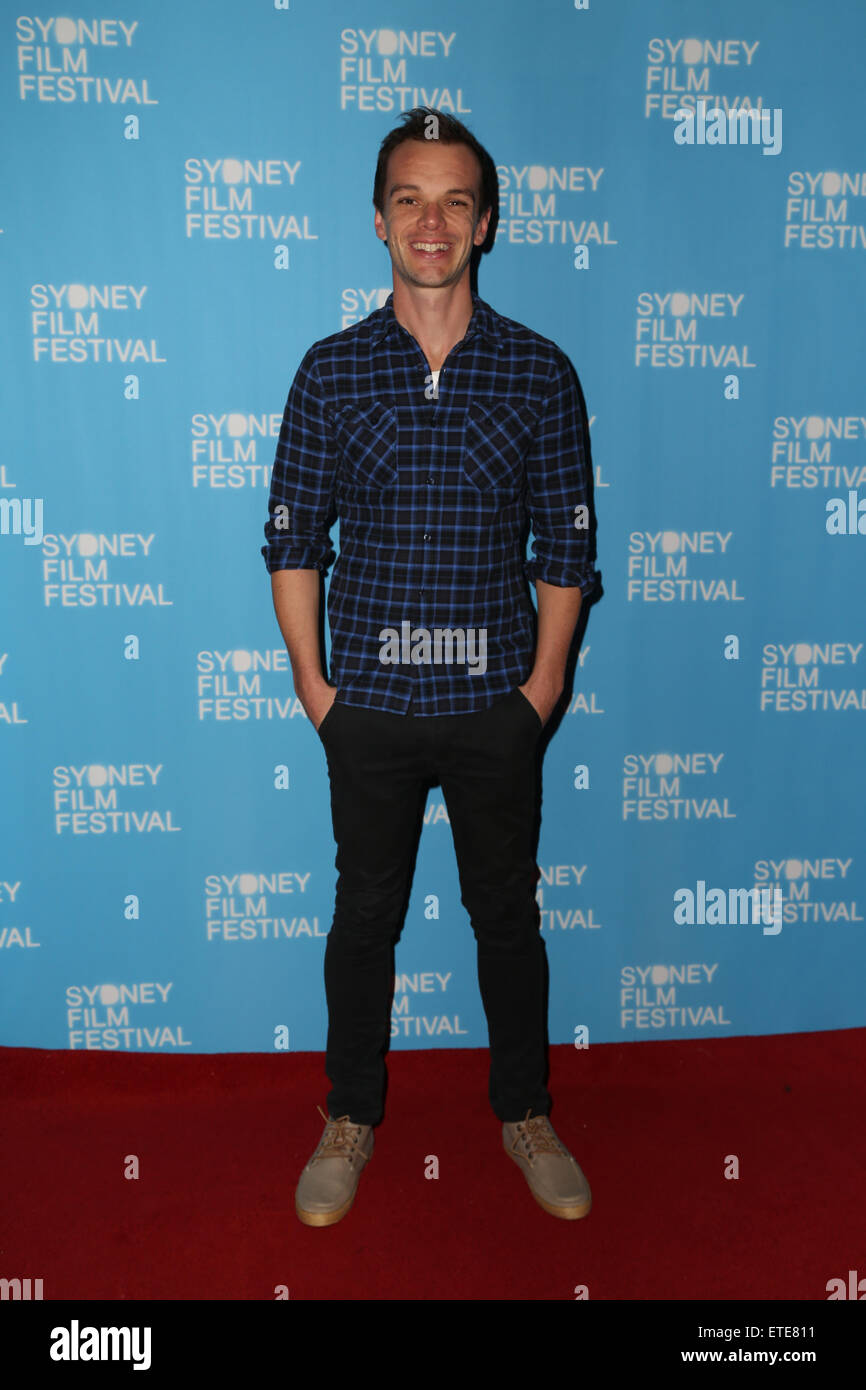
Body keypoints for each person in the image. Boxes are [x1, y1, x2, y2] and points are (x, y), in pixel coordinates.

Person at [262, 107, 598, 1227]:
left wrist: (539, 691)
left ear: (486, 222)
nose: (431, 219)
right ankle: (348, 1115)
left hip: (496, 702)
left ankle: (523, 1112)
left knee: (506, 914)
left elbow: (568, 543)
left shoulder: (539, 372)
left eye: (454, 199)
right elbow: (293, 542)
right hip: (366, 704)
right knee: (365, 915)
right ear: (376, 218)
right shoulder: (330, 371)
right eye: (409, 197)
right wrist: (320, 693)